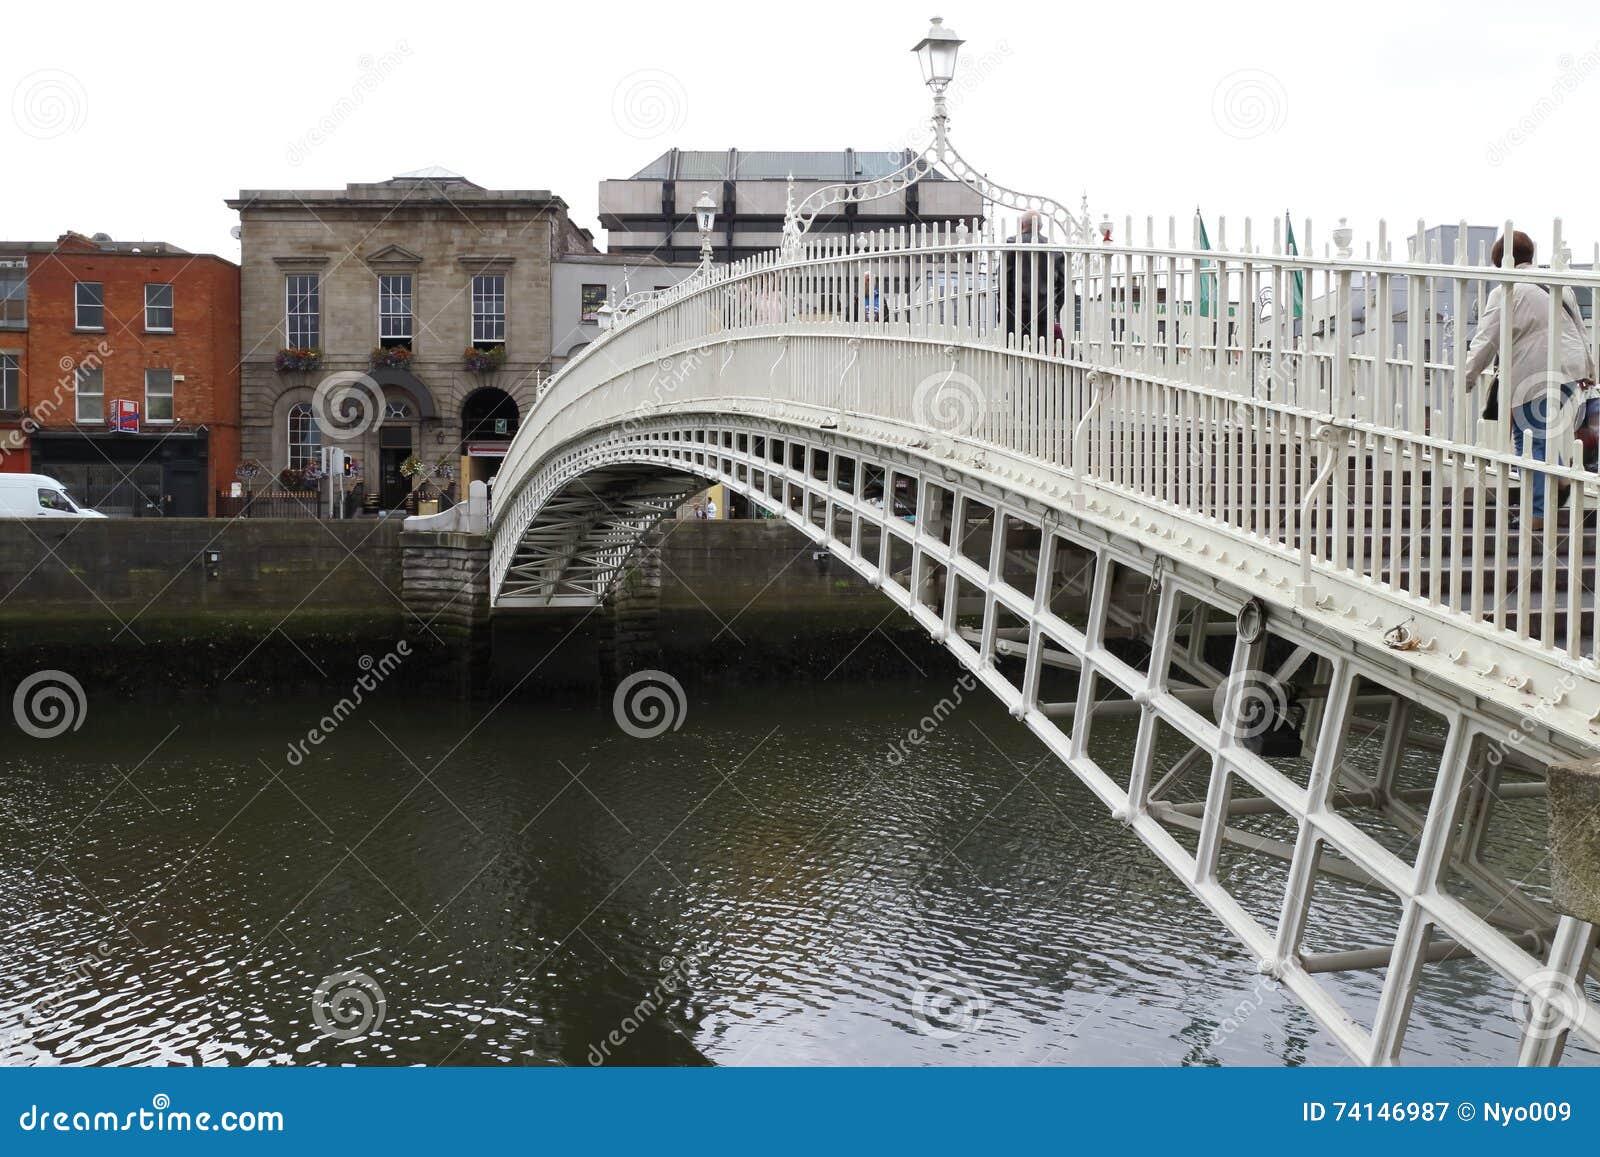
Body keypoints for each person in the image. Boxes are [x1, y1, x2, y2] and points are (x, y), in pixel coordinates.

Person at [1463, 230, 1596, 530]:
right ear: (1530, 255)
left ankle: (1537, 513)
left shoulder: (1505, 291)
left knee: (1528, 441)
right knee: (1539, 434)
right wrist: (1588, 370)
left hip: (1535, 373)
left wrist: (1467, 377)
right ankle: (1559, 475)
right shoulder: (1558, 283)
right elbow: (1578, 328)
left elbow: (1485, 340)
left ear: (1501, 262)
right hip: (1570, 370)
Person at [1002, 211, 1067, 350]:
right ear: (1041, 226)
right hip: (1045, 310)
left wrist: (1005, 310)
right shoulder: (1054, 247)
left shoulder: (1011, 243)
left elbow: (1004, 280)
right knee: (1043, 355)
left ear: (1021, 225)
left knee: (1015, 354)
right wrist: (1054, 308)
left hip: (1017, 309)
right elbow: (1062, 285)